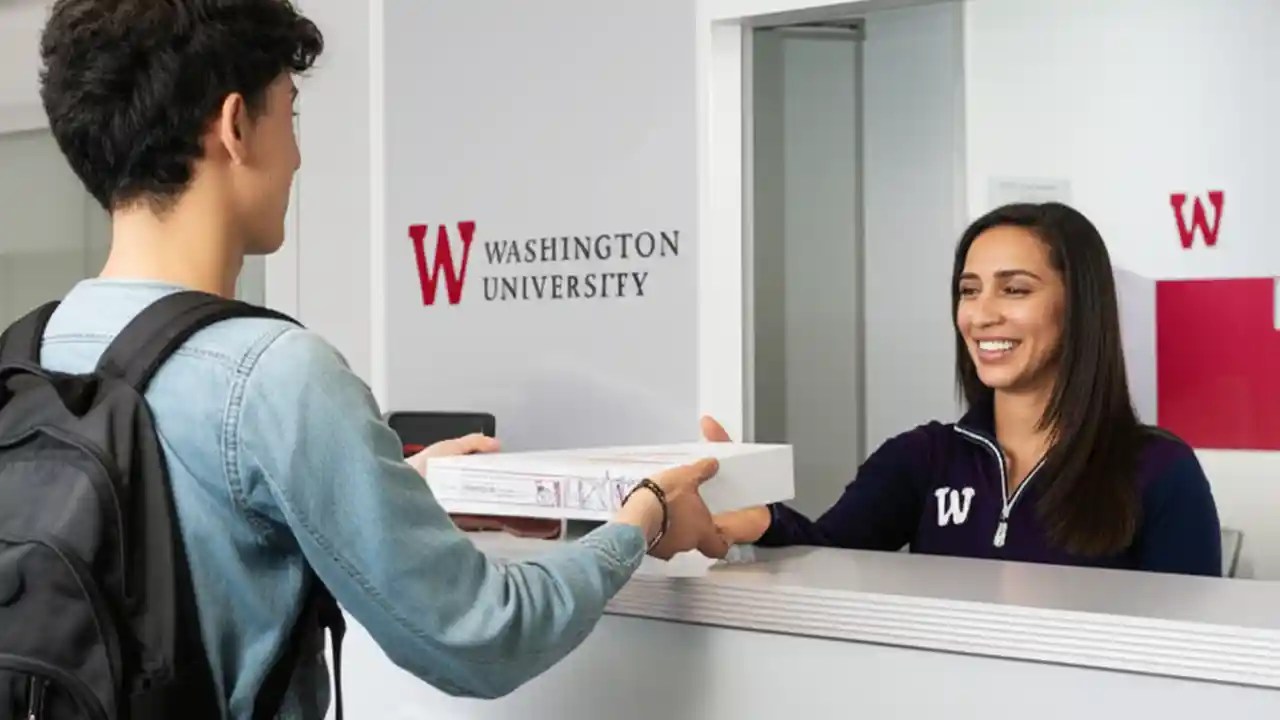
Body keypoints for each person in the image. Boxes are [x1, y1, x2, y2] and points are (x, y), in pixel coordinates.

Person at [32, 1, 729, 717]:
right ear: (236, 126)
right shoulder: (275, 376)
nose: (298, 155)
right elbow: (485, 637)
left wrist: (392, 486)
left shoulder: (31, 352)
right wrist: (642, 514)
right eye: (291, 115)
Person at [709, 202, 1222, 577]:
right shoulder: (921, 458)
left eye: (1015, 289)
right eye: (969, 290)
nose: (982, 314)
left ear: (1081, 308)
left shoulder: (1158, 471)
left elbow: (1195, 659)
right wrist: (754, 512)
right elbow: (824, 555)